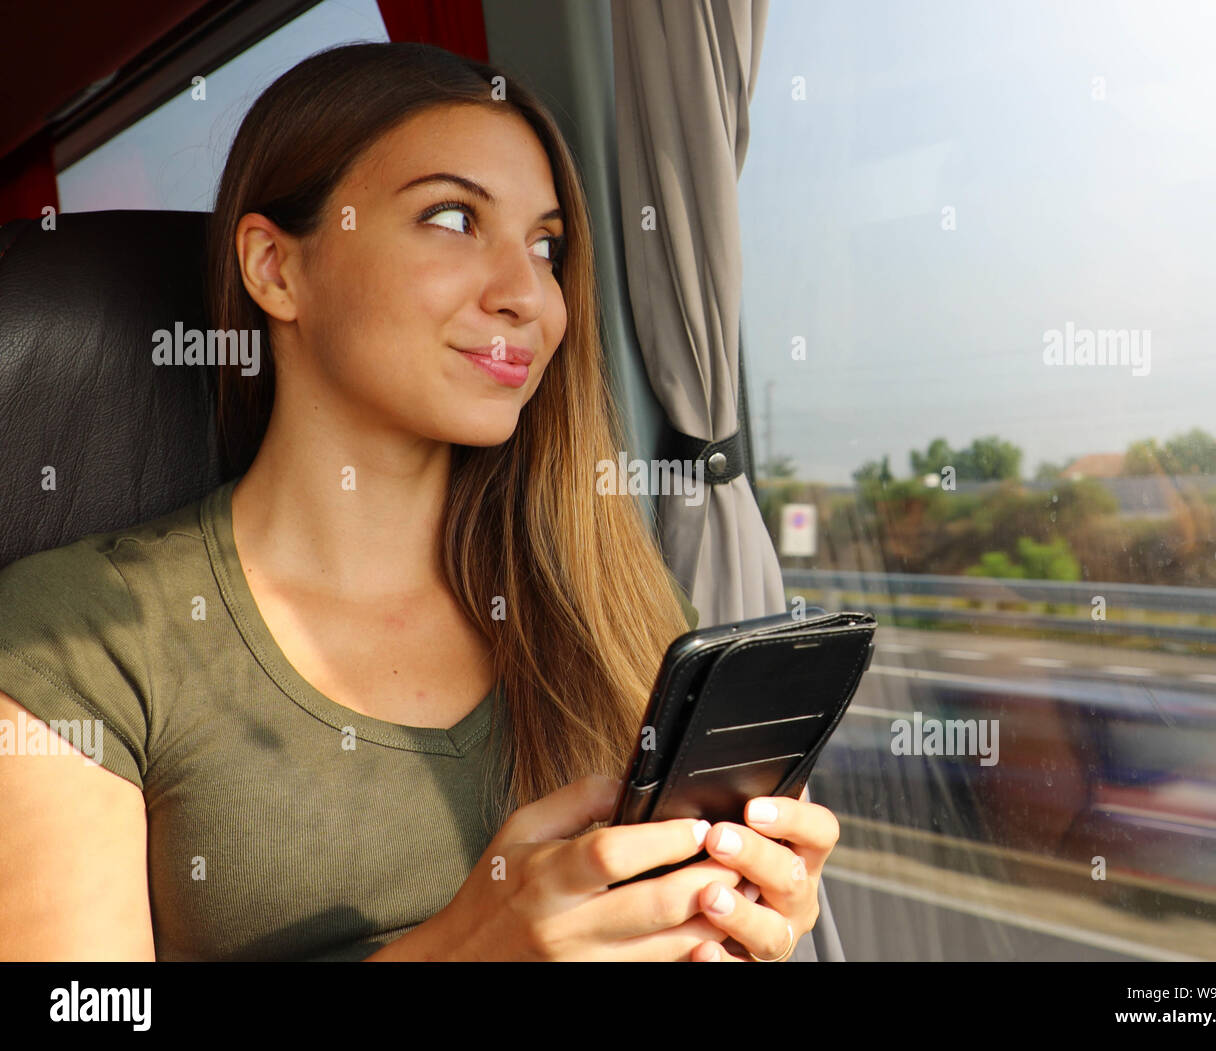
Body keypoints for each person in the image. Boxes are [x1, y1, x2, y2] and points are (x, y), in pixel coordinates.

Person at [0, 41, 839, 962]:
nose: (529, 296)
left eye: (546, 246)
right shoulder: (74, 637)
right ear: (275, 269)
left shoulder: (620, 607)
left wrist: (740, 915)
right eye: (450, 217)